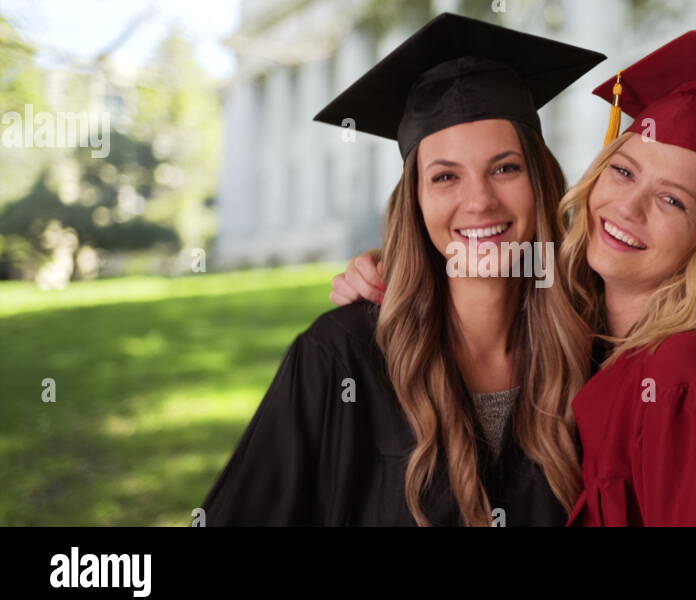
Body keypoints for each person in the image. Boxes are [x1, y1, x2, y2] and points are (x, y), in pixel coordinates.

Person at [332, 30, 696, 526]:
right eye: (624, 170)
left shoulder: (689, 386)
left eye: (672, 200)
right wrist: (392, 270)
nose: (627, 208)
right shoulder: (588, 333)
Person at [201, 13, 605, 526]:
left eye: (505, 168)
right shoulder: (341, 358)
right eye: (444, 177)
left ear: (541, 182)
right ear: (415, 202)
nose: (479, 201)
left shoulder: (592, 351)